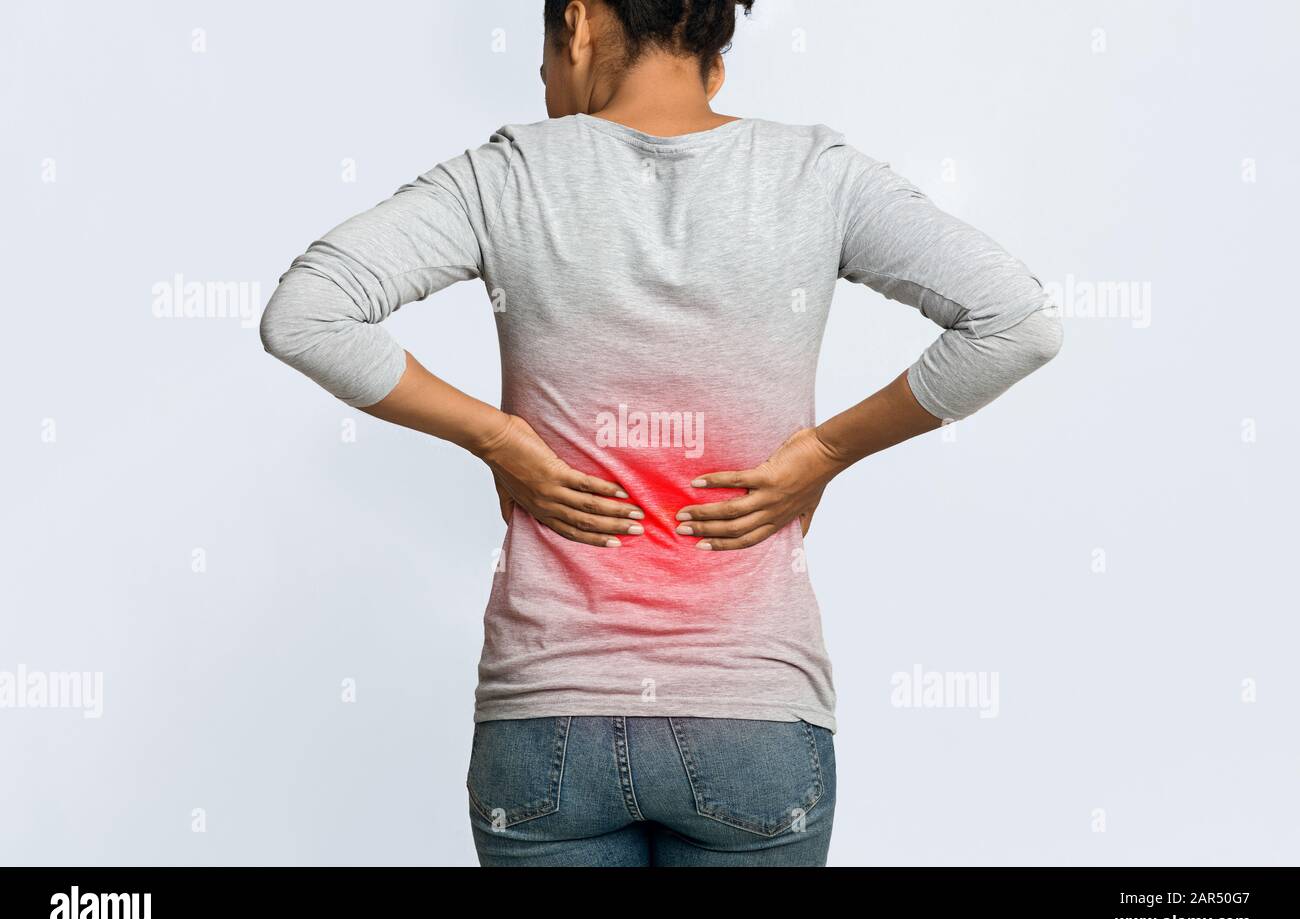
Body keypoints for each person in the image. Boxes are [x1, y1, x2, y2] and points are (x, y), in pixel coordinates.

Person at [259, 0, 1062, 866]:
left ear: (575, 24)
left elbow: (306, 314)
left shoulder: (509, 174)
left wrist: (497, 438)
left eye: (543, 48)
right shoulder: (815, 175)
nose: (539, 77)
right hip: (751, 715)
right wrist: (825, 453)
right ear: (713, 56)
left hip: (547, 721)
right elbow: (1018, 322)